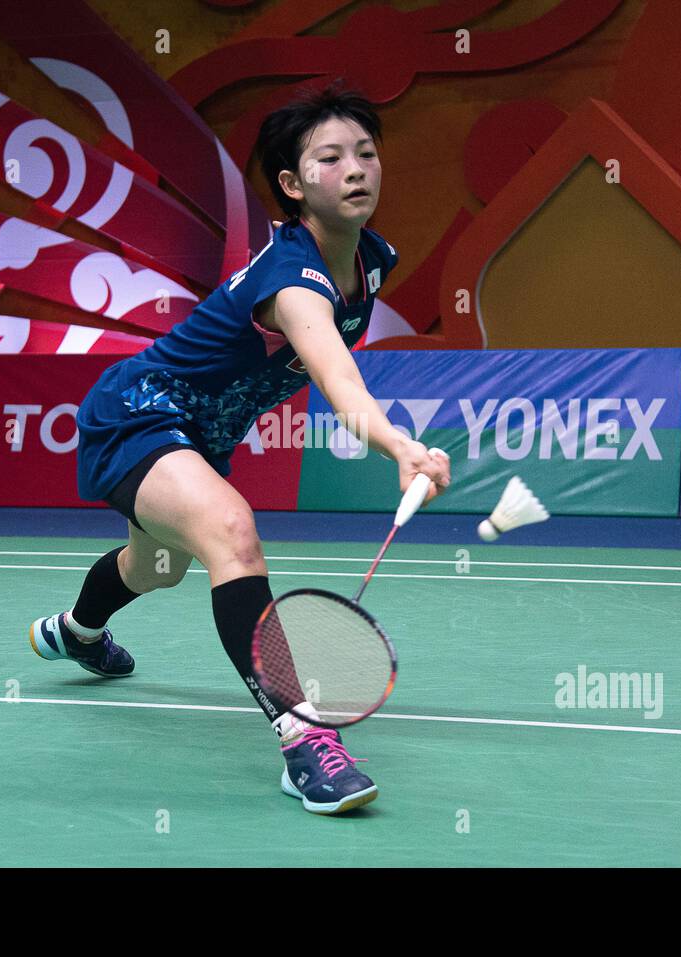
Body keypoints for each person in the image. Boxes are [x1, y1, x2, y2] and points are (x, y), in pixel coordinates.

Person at [29, 82, 451, 815]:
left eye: (366, 152)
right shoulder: (293, 278)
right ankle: (304, 740)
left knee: (154, 567)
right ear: (291, 185)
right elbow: (340, 381)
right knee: (232, 531)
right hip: (139, 410)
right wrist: (398, 444)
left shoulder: (372, 260)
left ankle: (75, 631)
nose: (355, 168)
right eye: (330, 158)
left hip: (201, 433)